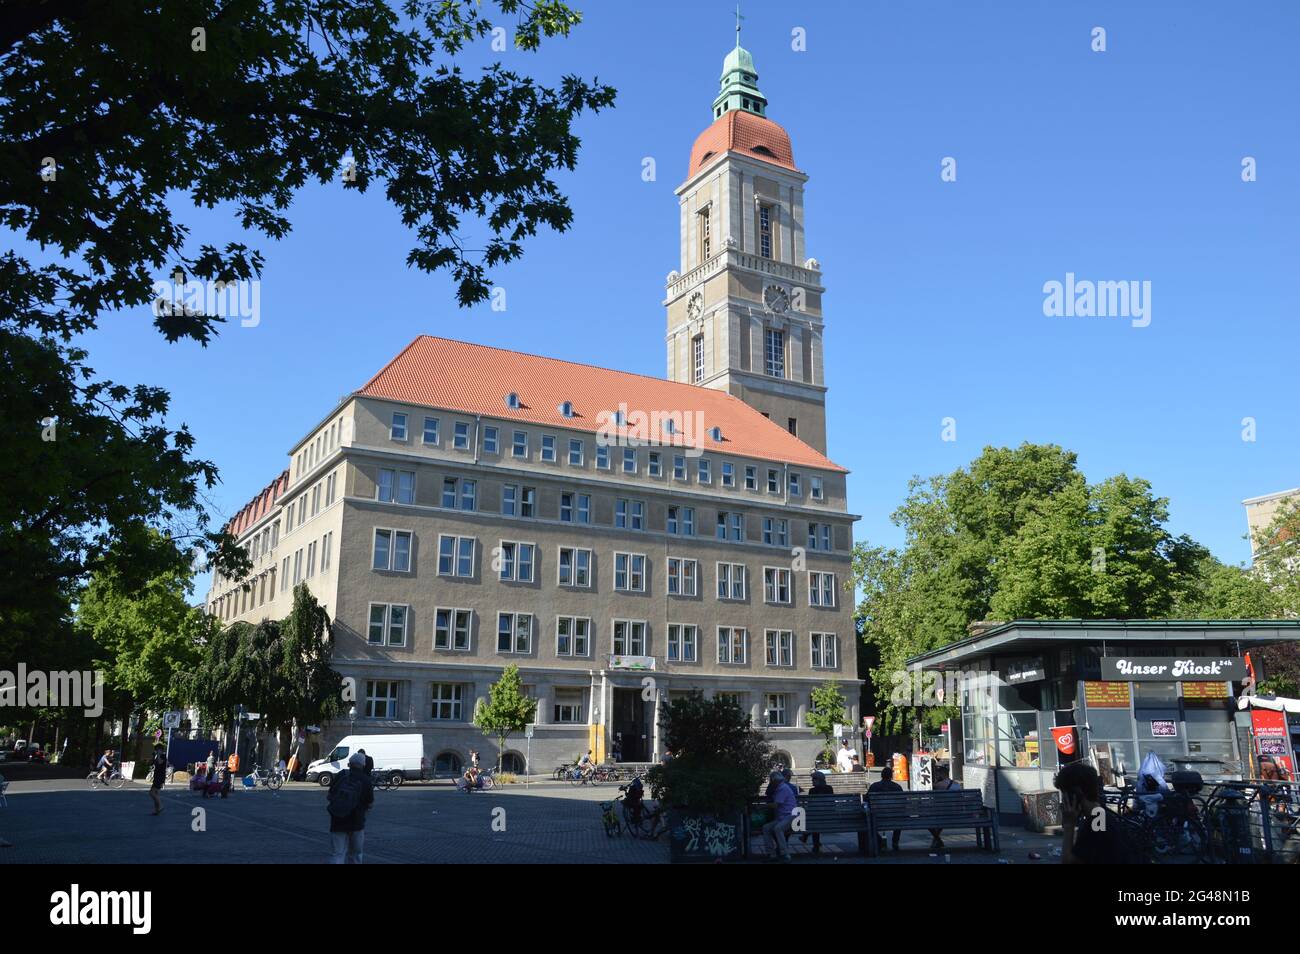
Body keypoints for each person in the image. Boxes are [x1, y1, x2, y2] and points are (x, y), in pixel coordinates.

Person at [1055, 761, 1138, 864]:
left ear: (1075, 794)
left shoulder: (1097, 822)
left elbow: (1068, 861)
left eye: (1064, 794)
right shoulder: (1099, 816)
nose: (1063, 800)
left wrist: (1069, 826)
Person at [327, 752, 375, 864]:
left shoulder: (341, 775)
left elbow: (330, 795)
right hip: (356, 822)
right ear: (363, 765)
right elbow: (370, 803)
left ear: (350, 764)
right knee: (355, 854)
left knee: (337, 853)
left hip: (337, 820)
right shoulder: (366, 780)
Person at [761, 769, 797, 863]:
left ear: (774, 781)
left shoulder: (782, 789)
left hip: (790, 816)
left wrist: (762, 806)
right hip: (782, 817)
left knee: (778, 828)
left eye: (771, 780)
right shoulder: (780, 787)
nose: (771, 782)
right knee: (766, 828)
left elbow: (776, 805)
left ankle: (785, 854)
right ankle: (771, 854)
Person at [868, 765, 903, 852]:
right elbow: (903, 802)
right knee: (899, 818)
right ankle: (895, 842)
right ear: (891, 776)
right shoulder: (897, 787)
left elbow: (866, 800)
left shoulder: (874, 787)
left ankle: (879, 841)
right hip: (895, 817)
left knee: (868, 823)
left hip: (877, 817)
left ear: (881, 775)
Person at [927, 764, 961, 850]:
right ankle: (937, 840)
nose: (937, 776)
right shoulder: (957, 785)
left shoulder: (939, 785)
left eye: (938, 774)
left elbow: (933, 792)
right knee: (940, 821)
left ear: (942, 774)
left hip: (943, 813)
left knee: (928, 821)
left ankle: (938, 840)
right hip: (956, 813)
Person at [802, 770, 835, 853]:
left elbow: (810, 806)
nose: (812, 781)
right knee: (815, 818)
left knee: (814, 820)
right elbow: (832, 803)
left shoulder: (812, 791)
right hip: (829, 816)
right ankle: (808, 838)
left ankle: (811, 841)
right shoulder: (829, 788)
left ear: (818, 780)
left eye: (813, 779)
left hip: (817, 817)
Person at [148, 743, 168, 815]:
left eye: (157, 750)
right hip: (157, 776)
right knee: (155, 793)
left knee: (151, 793)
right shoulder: (157, 756)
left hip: (160, 777)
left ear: (160, 750)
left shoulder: (163, 756)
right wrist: (153, 757)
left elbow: (160, 763)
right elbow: (150, 763)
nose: (156, 751)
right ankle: (157, 810)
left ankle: (160, 806)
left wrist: (158, 755)